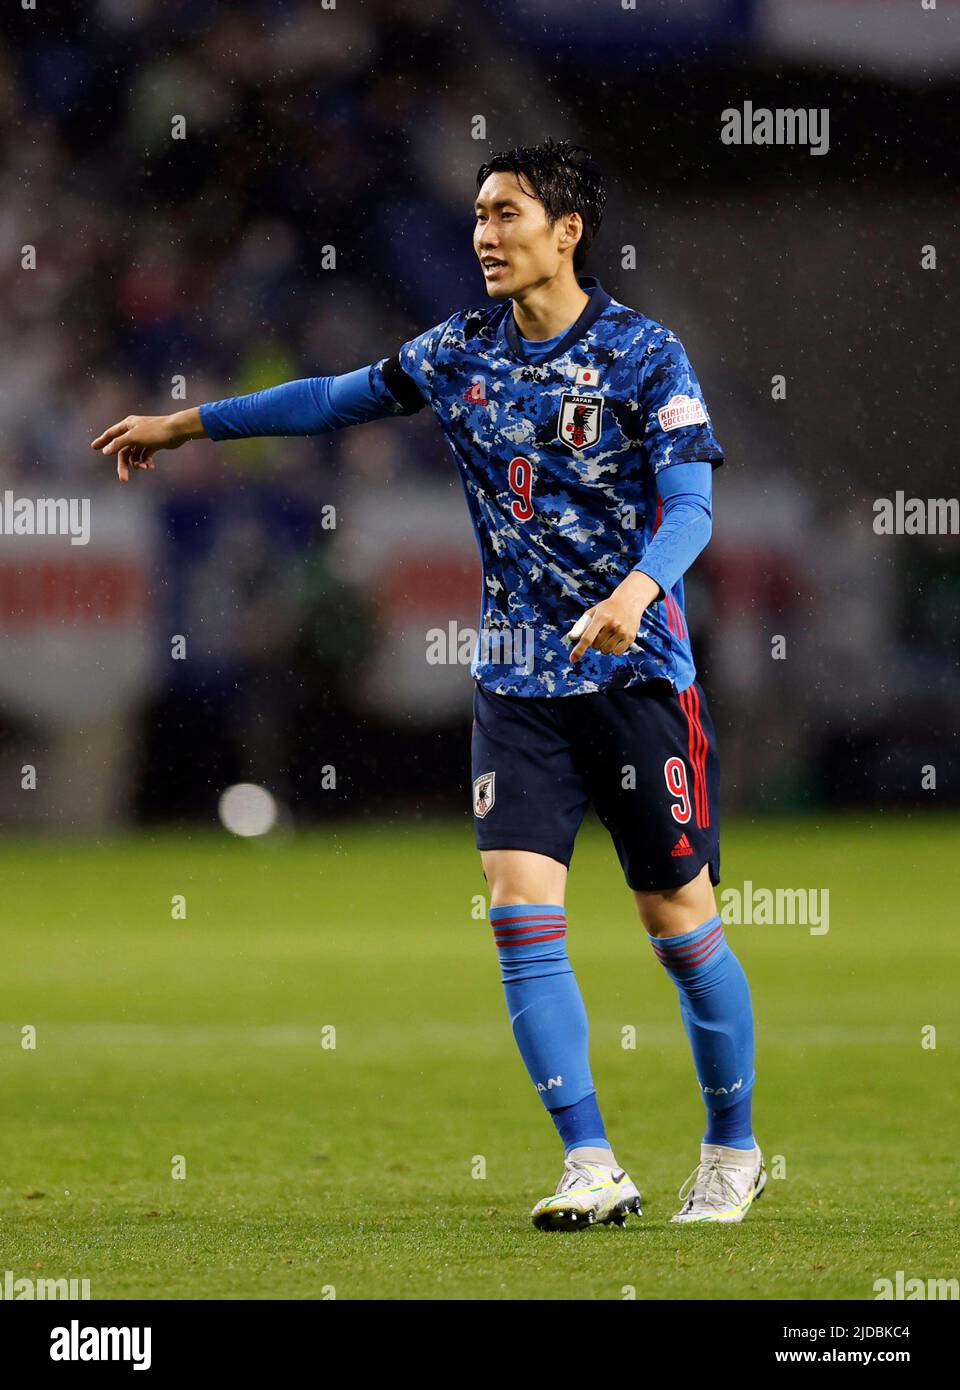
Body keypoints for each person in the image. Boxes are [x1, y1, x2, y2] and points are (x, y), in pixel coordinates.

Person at [92, 137, 764, 1231]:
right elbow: (333, 398)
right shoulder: (459, 352)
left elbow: (691, 505)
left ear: (568, 231)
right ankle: (590, 1159)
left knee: (680, 926)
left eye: (507, 215)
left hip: (638, 675)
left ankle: (733, 1148)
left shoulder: (647, 355)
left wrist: (639, 592)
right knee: (517, 910)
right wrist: (189, 422)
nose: (485, 236)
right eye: (479, 217)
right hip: (514, 683)